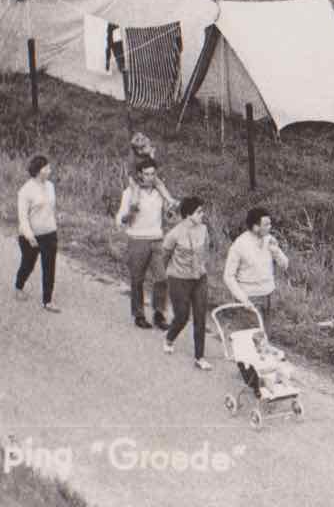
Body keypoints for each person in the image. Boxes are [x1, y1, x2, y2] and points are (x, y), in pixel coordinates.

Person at [115, 136, 178, 329]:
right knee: (137, 279)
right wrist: (131, 212)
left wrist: (170, 212)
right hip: (137, 240)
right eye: (147, 174)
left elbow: (169, 217)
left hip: (157, 240)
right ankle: (139, 314)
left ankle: (159, 313)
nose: (151, 177)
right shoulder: (130, 193)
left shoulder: (159, 192)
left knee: (162, 278)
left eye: (153, 174)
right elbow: (121, 221)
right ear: (140, 175)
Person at [160, 196, 213, 370]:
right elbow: (165, 256)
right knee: (182, 316)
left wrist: (201, 268)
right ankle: (170, 337)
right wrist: (170, 274)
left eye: (202, 211)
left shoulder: (204, 229)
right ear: (188, 214)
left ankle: (200, 357)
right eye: (199, 212)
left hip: (199, 278)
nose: (202, 215)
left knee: (200, 317)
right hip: (179, 279)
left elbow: (205, 250)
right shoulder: (174, 234)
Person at [224, 208, 289, 331]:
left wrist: (276, 251)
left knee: (265, 339)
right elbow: (228, 276)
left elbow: (285, 265)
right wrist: (243, 299)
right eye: (266, 224)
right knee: (250, 340)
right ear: (255, 227)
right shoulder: (240, 245)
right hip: (250, 298)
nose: (270, 227)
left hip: (269, 296)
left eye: (270, 223)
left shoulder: (269, 240)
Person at [14, 156, 60, 312]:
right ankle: (19, 286)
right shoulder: (26, 190)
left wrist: (53, 225)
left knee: (49, 267)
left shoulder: (51, 186)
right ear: (39, 171)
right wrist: (29, 236)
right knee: (28, 265)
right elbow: (23, 217)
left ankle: (47, 301)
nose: (50, 170)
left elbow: (52, 208)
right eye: (47, 168)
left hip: (49, 234)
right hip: (31, 236)